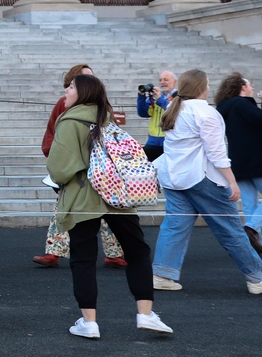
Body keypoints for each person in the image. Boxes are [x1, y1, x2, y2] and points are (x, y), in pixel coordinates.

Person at [46, 72, 170, 339]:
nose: (65, 91)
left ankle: (89, 322)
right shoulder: (106, 118)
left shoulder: (69, 121)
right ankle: (146, 313)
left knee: (84, 258)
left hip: (83, 197)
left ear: (82, 93)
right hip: (118, 195)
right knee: (136, 251)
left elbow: (58, 169)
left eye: (70, 87)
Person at [150, 69, 262, 295]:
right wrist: (231, 181)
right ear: (202, 87)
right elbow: (217, 153)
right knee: (231, 230)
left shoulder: (173, 110)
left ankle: (162, 274)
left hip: (174, 178)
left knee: (174, 227)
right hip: (203, 178)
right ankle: (257, 278)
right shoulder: (206, 113)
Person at [34, 64, 126, 270]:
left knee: (108, 212)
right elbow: (53, 130)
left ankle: (115, 253)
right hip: (76, 169)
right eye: (84, 77)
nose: (90, 80)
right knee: (63, 209)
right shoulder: (64, 104)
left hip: (102, 170)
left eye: (92, 77)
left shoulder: (103, 106)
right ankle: (54, 251)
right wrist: (54, 154)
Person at [213, 72, 262, 256]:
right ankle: (251, 228)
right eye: (250, 85)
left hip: (237, 161)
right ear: (242, 87)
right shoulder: (241, 103)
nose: (253, 88)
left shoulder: (224, 107)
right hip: (256, 159)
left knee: (250, 204)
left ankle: (256, 243)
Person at [137, 70, 176, 161]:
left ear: (174, 82)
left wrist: (159, 99)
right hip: (153, 141)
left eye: (165, 80)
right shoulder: (156, 96)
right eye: (160, 80)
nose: (162, 82)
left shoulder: (179, 97)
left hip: (169, 140)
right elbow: (143, 113)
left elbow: (173, 110)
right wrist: (142, 97)